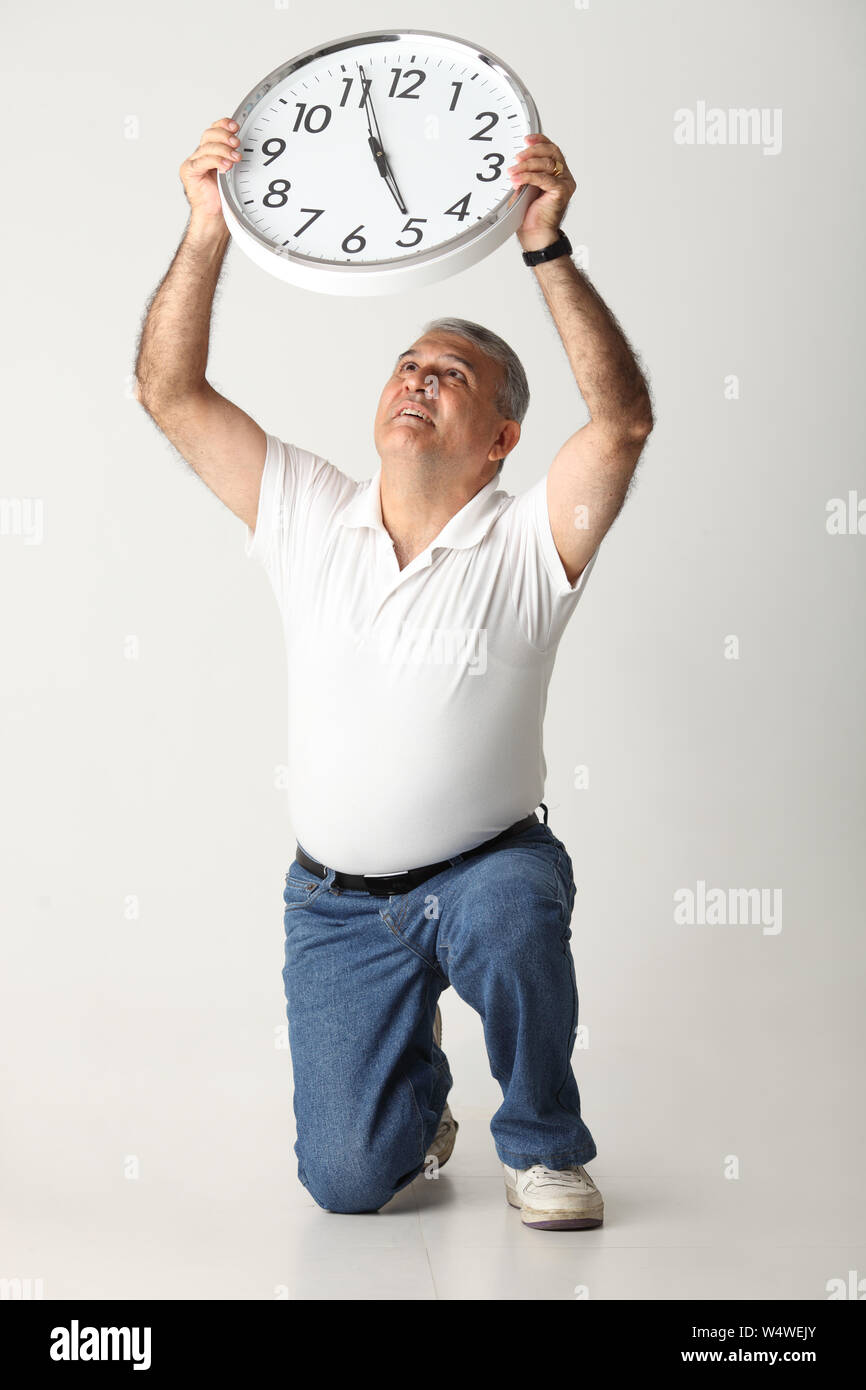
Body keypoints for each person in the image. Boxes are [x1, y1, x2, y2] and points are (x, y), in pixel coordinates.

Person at [134, 117, 653, 1231]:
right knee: (346, 1183)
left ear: (502, 436)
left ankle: (543, 1142)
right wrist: (206, 232)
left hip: (483, 870)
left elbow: (621, 422)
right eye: (406, 366)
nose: (417, 382)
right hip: (333, 905)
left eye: (450, 375)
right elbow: (169, 393)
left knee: (513, 905)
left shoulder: (527, 542)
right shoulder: (308, 509)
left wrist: (545, 249)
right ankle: (417, 1102)